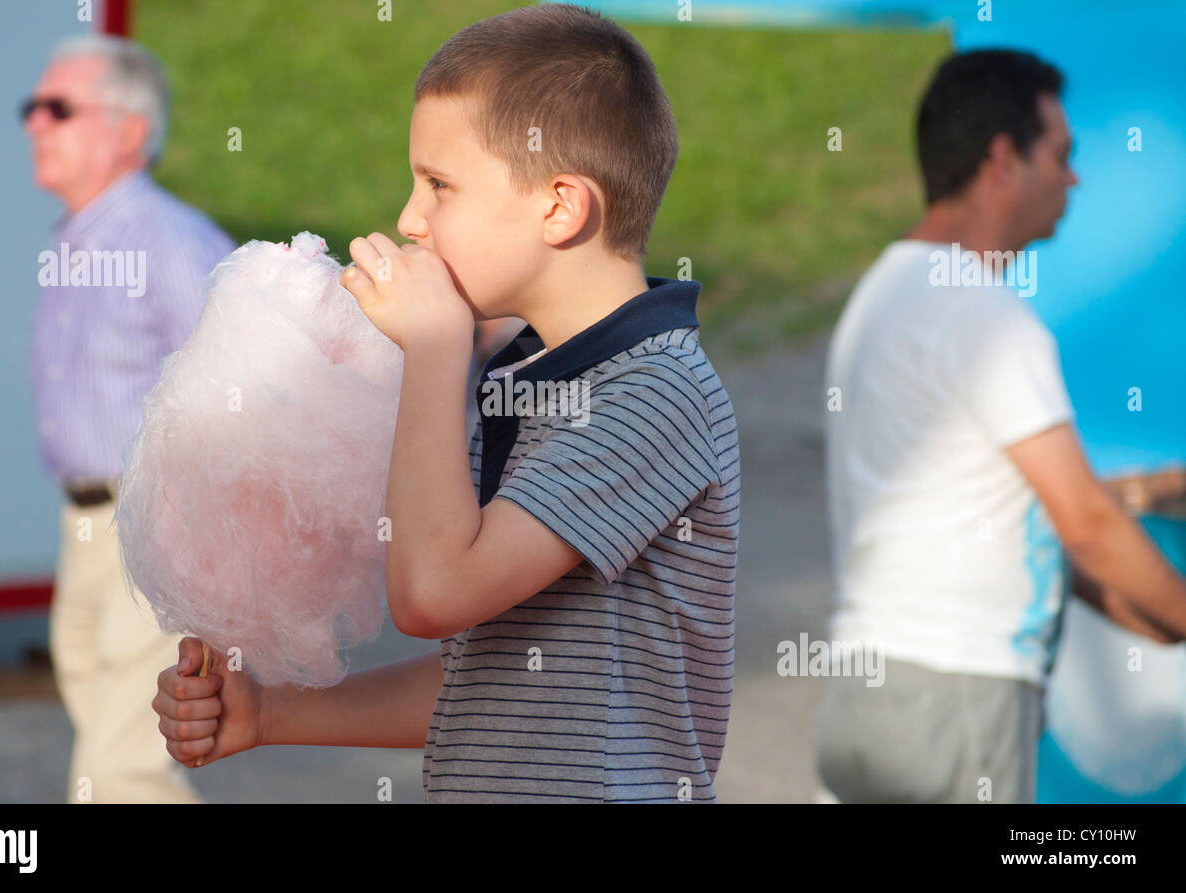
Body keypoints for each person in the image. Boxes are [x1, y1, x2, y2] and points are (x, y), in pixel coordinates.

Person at [153, 3, 740, 803]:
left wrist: (436, 348)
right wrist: (271, 711)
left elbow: (432, 593)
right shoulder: (536, 382)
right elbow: (489, 689)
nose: (408, 219)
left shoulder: (655, 392)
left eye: (439, 185)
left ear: (560, 206)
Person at [815, 48, 1186, 803]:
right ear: (1003, 159)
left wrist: (1159, 621)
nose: (1073, 178)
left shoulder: (880, 293)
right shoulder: (988, 320)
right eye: (1062, 154)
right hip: (956, 700)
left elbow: (1004, 516)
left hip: (864, 699)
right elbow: (1083, 521)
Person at [25, 33, 235, 803]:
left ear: (129, 130)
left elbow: (246, 384)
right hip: (86, 526)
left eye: (57, 108)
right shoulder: (84, 235)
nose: (33, 124)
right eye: (33, 108)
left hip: (152, 522)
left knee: (119, 768)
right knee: (107, 745)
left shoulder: (164, 239)